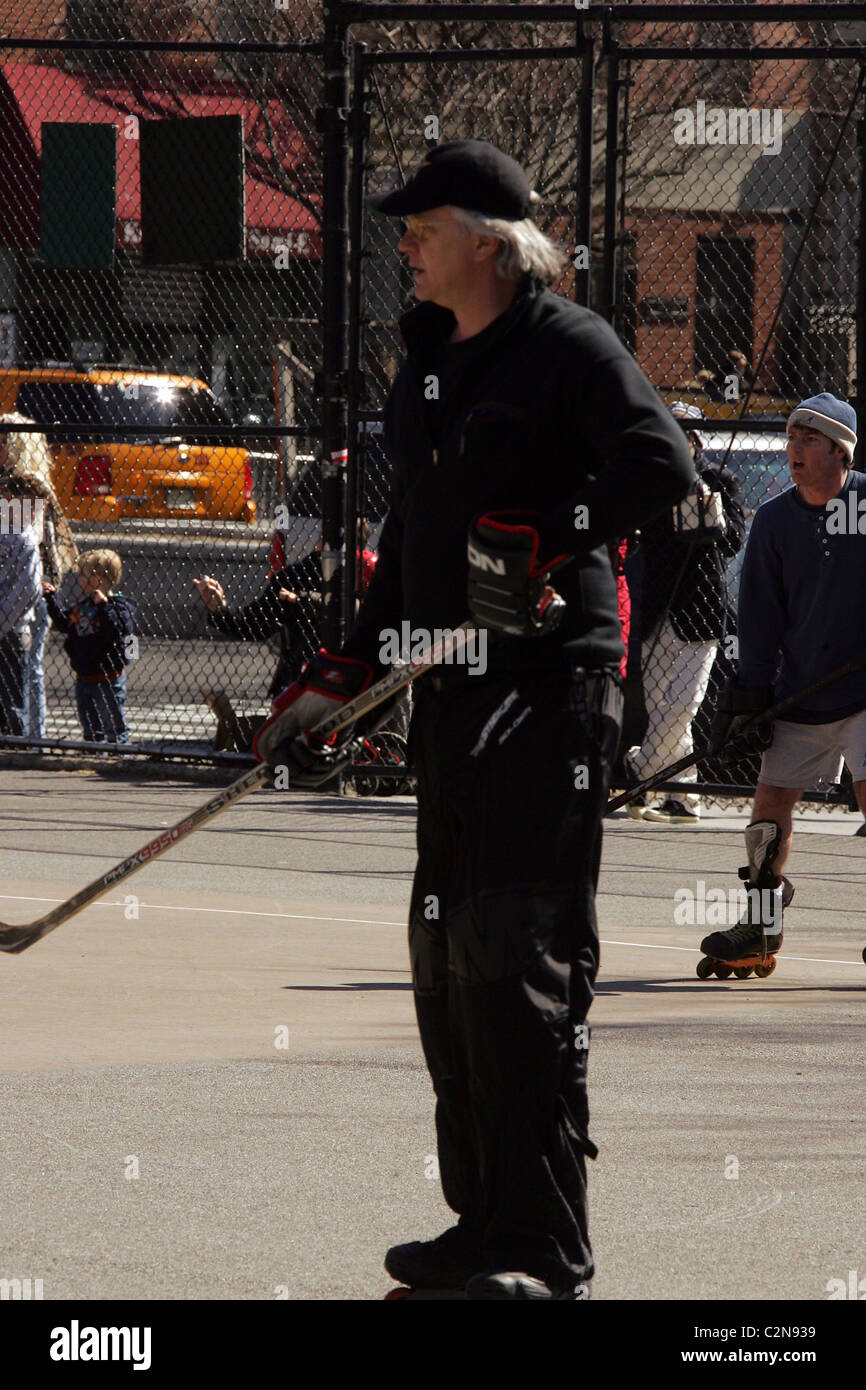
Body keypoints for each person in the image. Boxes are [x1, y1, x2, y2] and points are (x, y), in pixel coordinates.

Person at [251, 140, 693, 1297]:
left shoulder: (566, 346)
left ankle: (545, 1248)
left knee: (521, 962)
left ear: (489, 246)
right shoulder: (430, 359)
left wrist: (551, 534)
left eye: (420, 226)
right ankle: (483, 1221)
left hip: (548, 689)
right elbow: (417, 536)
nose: (401, 241)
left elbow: (660, 466)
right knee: (447, 962)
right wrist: (339, 670)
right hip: (446, 686)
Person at [702, 393, 861, 971]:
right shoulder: (773, 519)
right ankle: (762, 929)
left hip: (863, 692)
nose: (794, 449)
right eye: (791, 438)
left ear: (840, 453)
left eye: (808, 440)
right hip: (803, 689)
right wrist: (750, 695)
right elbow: (761, 615)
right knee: (767, 812)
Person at [626, 402, 745, 822]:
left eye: (684, 434)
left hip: (702, 607)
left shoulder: (720, 479)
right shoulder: (651, 482)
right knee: (661, 706)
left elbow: (733, 540)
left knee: (685, 703)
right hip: (658, 604)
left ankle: (641, 767)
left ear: (696, 441)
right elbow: (642, 540)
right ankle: (683, 796)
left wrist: (705, 515)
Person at [0, 414, 78, 738]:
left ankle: (33, 741)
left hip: (26, 592)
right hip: (12, 587)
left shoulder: (25, 484)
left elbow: (42, 540)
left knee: (27, 671)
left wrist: (50, 582)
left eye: (4, 440)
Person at [193, 549, 322, 699]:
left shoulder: (352, 574)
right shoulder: (295, 576)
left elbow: (350, 604)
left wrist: (302, 600)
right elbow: (254, 625)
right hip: (300, 681)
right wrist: (220, 609)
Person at [44, 549, 135, 745]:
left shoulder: (119, 606)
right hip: (85, 677)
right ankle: (95, 749)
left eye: (84, 574)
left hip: (108, 678)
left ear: (100, 579)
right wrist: (52, 599)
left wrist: (103, 607)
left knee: (114, 724)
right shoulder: (83, 606)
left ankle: (119, 753)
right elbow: (65, 622)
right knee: (90, 724)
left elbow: (121, 629)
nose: (79, 578)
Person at [0, 471, 42, 736]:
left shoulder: (26, 540)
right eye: (27, 506)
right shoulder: (22, 539)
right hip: (13, 630)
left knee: (12, 700)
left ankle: (16, 741)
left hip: (12, 632)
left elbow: (28, 590)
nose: (31, 514)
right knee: (11, 699)